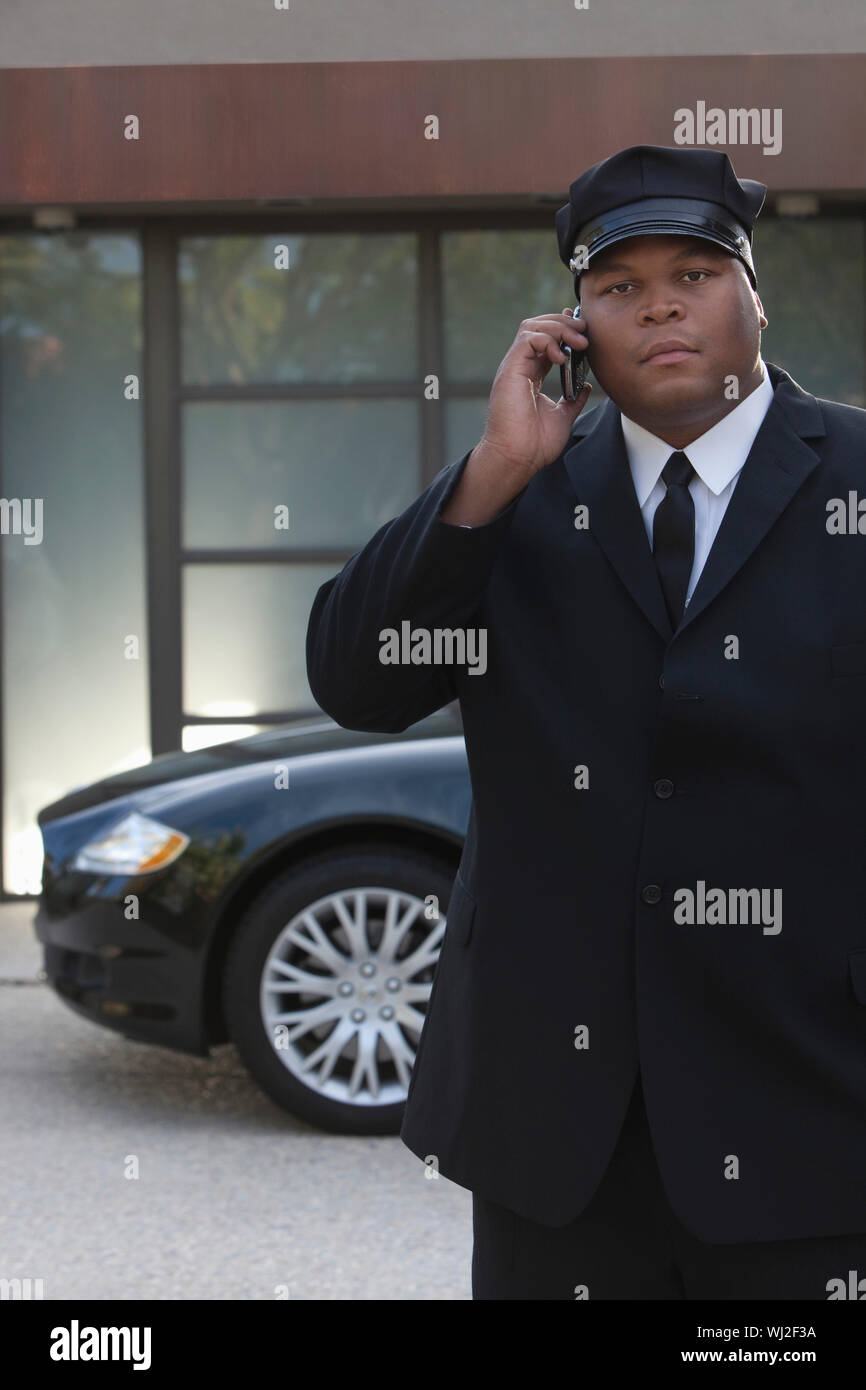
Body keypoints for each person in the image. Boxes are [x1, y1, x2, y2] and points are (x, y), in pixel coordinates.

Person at [305, 145, 866, 1299]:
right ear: (570, 329)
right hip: (552, 1128)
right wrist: (494, 466)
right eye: (618, 286)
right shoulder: (513, 490)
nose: (658, 301)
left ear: (754, 295)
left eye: (695, 271)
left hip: (812, 1104)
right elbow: (355, 681)